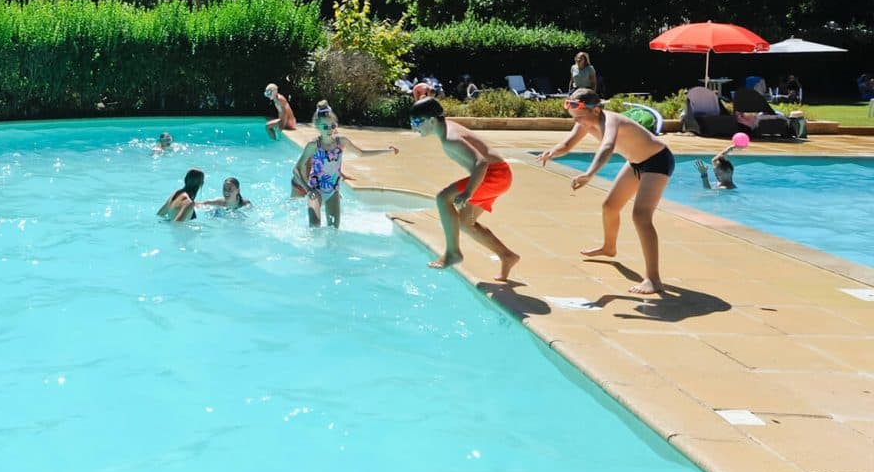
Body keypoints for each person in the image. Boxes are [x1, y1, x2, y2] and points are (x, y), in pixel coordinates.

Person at [537, 88, 674, 295]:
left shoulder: (610, 121)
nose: (578, 122)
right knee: (610, 206)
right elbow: (568, 144)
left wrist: (589, 174)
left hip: (657, 161)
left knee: (641, 216)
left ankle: (653, 279)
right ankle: (609, 248)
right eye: (574, 118)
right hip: (636, 162)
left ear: (596, 110)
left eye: (580, 117)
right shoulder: (585, 122)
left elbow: (607, 146)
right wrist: (552, 152)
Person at [409, 97, 520, 280]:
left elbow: (481, 163)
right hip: (497, 175)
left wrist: (468, 192)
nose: (414, 127)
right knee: (465, 224)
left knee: (443, 198)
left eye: (416, 122)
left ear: (431, 120)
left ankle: (453, 253)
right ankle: (507, 256)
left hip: (494, 175)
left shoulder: (450, 138)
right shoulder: (446, 128)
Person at [289, 101, 399, 228]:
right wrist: (308, 190)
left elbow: (362, 153)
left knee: (334, 230)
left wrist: (387, 150)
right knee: (314, 228)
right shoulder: (313, 146)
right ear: (318, 127)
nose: (330, 130)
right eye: (325, 127)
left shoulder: (341, 142)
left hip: (333, 191)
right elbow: (296, 169)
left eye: (332, 126)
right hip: (315, 190)